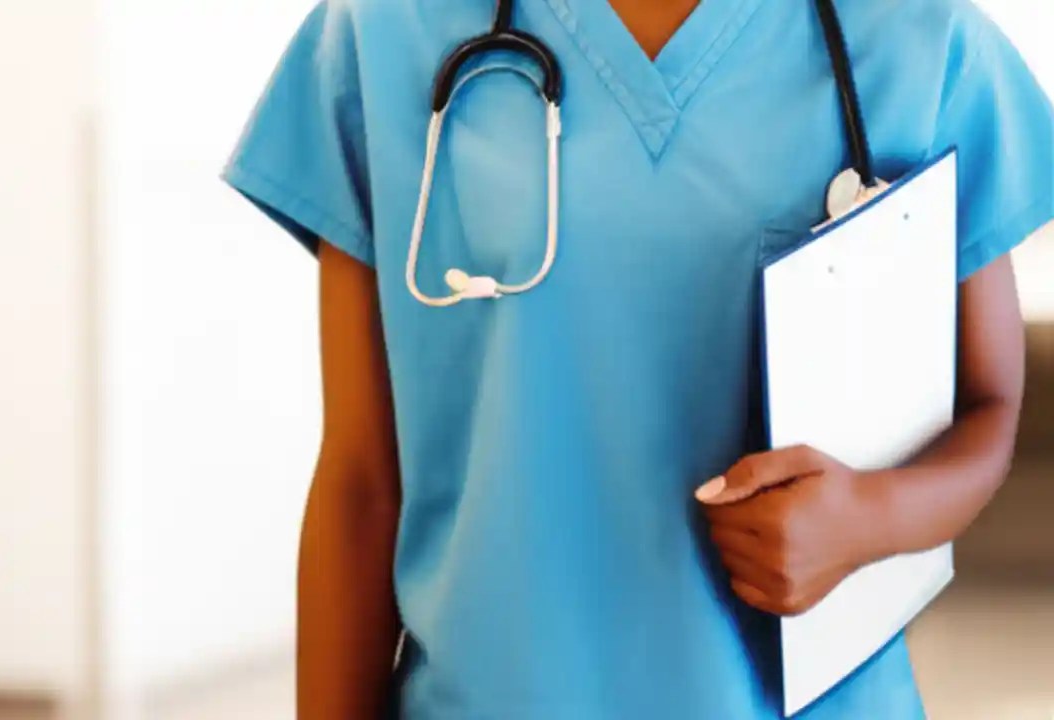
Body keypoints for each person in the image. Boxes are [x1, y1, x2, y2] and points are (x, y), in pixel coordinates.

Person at [221, 0, 1054, 717]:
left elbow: (990, 405)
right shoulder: (386, 30)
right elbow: (364, 481)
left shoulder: (916, 38)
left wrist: (869, 517)